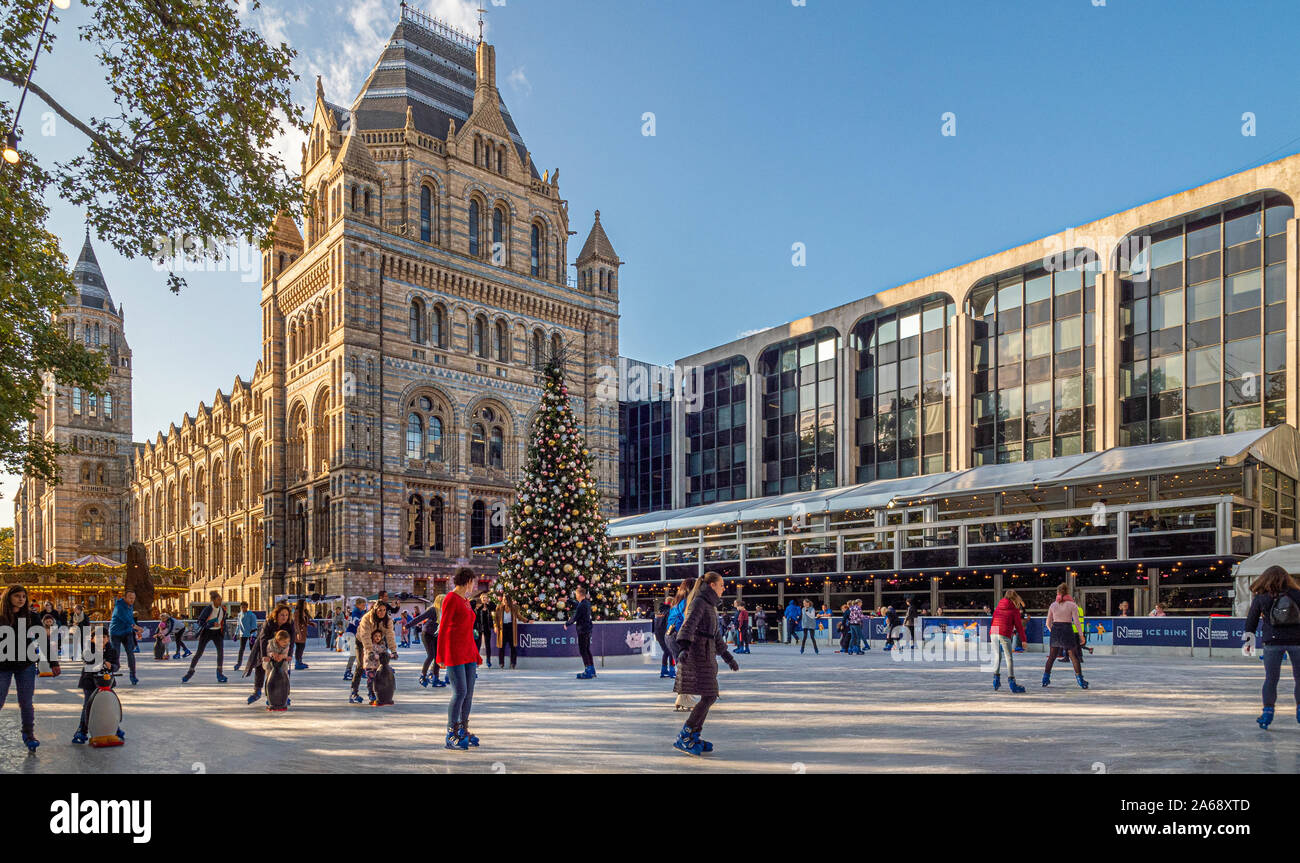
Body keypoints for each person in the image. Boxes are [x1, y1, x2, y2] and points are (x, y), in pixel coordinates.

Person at [671, 572, 739, 756]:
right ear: (711, 585)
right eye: (721, 584)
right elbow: (688, 625)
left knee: (710, 695)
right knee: (709, 695)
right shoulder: (700, 602)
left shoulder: (709, 605)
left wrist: (727, 656)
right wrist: (684, 648)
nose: (724, 588)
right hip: (696, 655)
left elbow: (715, 635)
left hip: (706, 654)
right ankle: (684, 736)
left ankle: (693, 735)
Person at [1243, 564, 1300, 729]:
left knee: (1271, 679)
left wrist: (1249, 641)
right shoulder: (1297, 594)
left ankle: (1267, 713)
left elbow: (1251, 620)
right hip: (1297, 640)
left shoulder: (1261, 597)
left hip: (1272, 641)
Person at [0, 585, 55, 750]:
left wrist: (54, 663)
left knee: (26, 701)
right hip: (2, 665)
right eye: (17, 596)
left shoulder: (32, 617)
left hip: (25, 665)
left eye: (24, 596)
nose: (21, 599)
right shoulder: (1, 617)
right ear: (8, 597)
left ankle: (28, 733)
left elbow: (43, 641)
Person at [438, 568, 483, 750]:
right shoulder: (451, 598)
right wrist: (440, 655)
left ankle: (463, 729)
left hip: (468, 653)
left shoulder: (465, 601)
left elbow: (466, 631)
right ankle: (451, 733)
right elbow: (444, 628)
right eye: (473, 582)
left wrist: (476, 653)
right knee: (460, 692)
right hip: (455, 653)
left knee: (469, 694)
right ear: (467, 581)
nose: (474, 586)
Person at [71, 626, 122, 745]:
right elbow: (88, 662)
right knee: (88, 705)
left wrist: (112, 667)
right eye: (98, 637)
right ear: (92, 639)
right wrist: (102, 662)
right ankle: (82, 730)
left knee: (108, 706)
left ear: (108, 639)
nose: (101, 639)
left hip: (107, 682)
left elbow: (116, 665)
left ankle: (114, 729)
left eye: (104, 637)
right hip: (90, 682)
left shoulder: (112, 651)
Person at [245, 603, 294, 704]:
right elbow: (263, 639)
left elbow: (292, 640)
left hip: (282, 650)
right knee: (260, 667)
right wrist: (264, 656)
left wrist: (289, 655)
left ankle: (285, 694)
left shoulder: (290, 624)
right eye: (282, 615)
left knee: (284, 669)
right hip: (266, 647)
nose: (284, 617)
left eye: (286, 615)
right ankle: (257, 691)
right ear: (276, 615)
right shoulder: (269, 622)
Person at [351, 600, 398, 704]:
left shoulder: (387, 620)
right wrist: (369, 651)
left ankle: (376, 692)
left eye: (384, 610)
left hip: (378, 641)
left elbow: (390, 635)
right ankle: (354, 692)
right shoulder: (366, 619)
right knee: (360, 665)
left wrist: (393, 650)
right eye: (379, 610)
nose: (382, 612)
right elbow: (365, 636)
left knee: (380, 667)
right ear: (375, 610)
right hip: (362, 642)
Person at [1042, 583, 1087, 689]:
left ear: (1057, 592)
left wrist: (1052, 630)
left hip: (1056, 630)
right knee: (1073, 656)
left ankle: (1045, 679)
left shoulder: (1053, 605)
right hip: (1067, 630)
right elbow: (1076, 622)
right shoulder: (1072, 605)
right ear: (1067, 592)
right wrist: (1081, 635)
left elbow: (1048, 623)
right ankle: (1080, 680)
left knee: (1052, 657)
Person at [183, 591, 229, 683]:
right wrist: (211, 623)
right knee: (199, 653)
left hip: (217, 633)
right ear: (213, 600)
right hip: (207, 632)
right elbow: (200, 621)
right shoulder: (208, 609)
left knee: (220, 652)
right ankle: (190, 671)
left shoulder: (223, 609)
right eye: (219, 599)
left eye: (221, 599)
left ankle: (219, 673)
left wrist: (223, 631)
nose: (221, 601)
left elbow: (223, 621)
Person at [666, 578, 696, 711]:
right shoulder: (686, 602)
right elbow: (687, 619)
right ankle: (684, 697)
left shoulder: (677, 601)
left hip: (670, 635)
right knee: (686, 666)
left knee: (683, 666)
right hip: (678, 635)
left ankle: (683, 697)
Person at [988, 589, 1027, 693]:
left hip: (994, 631)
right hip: (1003, 632)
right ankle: (1012, 683)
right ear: (1014, 598)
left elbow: (992, 621)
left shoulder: (998, 607)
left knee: (997, 656)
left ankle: (995, 680)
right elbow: (1019, 626)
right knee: (1008, 657)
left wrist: (991, 634)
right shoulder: (1014, 609)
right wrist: (1023, 640)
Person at [408, 594, 445, 687]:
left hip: (436, 635)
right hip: (427, 634)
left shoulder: (445, 611)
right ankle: (422, 676)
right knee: (431, 655)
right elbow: (420, 618)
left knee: (438, 657)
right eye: (444, 601)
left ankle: (435, 678)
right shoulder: (433, 610)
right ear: (440, 601)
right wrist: (408, 625)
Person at [108, 590, 143, 685]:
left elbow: (131, 618)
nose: (132, 600)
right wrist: (137, 627)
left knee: (130, 653)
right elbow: (125, 619)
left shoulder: (130, 606)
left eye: (134, 598)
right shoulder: (119, 606)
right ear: (124, 598)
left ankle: (133, 674)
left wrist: (136, 631)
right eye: (130, 598)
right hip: (115, 633)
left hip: (127, 632)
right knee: (116, 655)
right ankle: (110, 673)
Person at [565, 585, 596, 679]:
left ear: (579, 594)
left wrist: (567, 623)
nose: (575, 596)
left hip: (583, 630)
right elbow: (576, 604)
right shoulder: (585, 603)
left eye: (576, 594)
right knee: (587, 649)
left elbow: (575, 616)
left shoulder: (582, 604)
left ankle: (588, 671)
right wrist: (567, 600)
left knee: (583, 650)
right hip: (587, 629)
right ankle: (592, 670)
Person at [363, 628, 393, 706]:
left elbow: (385, 653)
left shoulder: (382, 646)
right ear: (372, 636)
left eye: (379, 636)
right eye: (375, 636)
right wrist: (373, 656)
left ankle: (383, 696)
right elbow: (368, 654)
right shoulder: (370, 645)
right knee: (371, 680)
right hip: (370, 666)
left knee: (380, 681)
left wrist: (390, 655)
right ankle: (371, 694)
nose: (377, 637)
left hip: (379, 667)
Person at [492, 594, 520, 670]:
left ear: (509, 600)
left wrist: (527, 620)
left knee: (513, 647)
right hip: (503, 629)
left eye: (506, 599)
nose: (504, 601)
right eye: (503, 599)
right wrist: (495, 626)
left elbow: (519, 616)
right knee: (501, 647)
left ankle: (513, 663)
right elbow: (496, 619)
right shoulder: (499, 608)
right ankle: (501, 663)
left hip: (511, 628)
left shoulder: (514, 608)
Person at [342, 597, 366, 681]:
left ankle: (362, 670)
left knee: (361, 653)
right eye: (363, 605)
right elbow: (356, 622)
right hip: (351, 634)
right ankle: (347, 672)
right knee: (353, 653)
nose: (364, 606)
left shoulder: (361, 611)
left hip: (355, 634)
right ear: (358, 605)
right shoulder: (356, 611)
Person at [654, 597, 676, 678]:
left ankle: (664, 670)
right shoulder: (670, 611)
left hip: (659, 635)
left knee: (666, 652)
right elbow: (670, 623)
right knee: (671, 652)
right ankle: (672, 670)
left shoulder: (660, 611)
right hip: (666, 634)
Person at [474, 592, 496, 668]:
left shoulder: (489, 607)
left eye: (486, 598)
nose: (484, 599)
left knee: (487, 645)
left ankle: (488, 660)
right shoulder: (478, 608)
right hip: (479, 627)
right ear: (481, 599)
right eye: (483, 598)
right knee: (478, 645)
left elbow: (494, 607)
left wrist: (489, 602)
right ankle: (476, 661)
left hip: (487, 628)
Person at [235, 602, 259, 668]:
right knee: (241, 649)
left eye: (244, 607)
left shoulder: (251, 615)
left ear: (247, 607)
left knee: (252, 649)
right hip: (243, 634)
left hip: (251, 634)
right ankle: (238, 663)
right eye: (242, 607)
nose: (243, 608)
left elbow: (254, 625)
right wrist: (236, 634)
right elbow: (238, 625)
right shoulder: (239, 615)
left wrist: (253, 635)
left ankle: (255, 662)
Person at [292, 598, 311, 670]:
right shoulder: (297, 612)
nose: (306, 605)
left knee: (302, 647)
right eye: (305, 604)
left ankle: (300, 661)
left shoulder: (303, 612)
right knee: (299, 647)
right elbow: (296, 623)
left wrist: (311, 623)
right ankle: (297, 663)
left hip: (303, 633)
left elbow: (304, 621)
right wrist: (298, 633)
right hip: (299, 632)